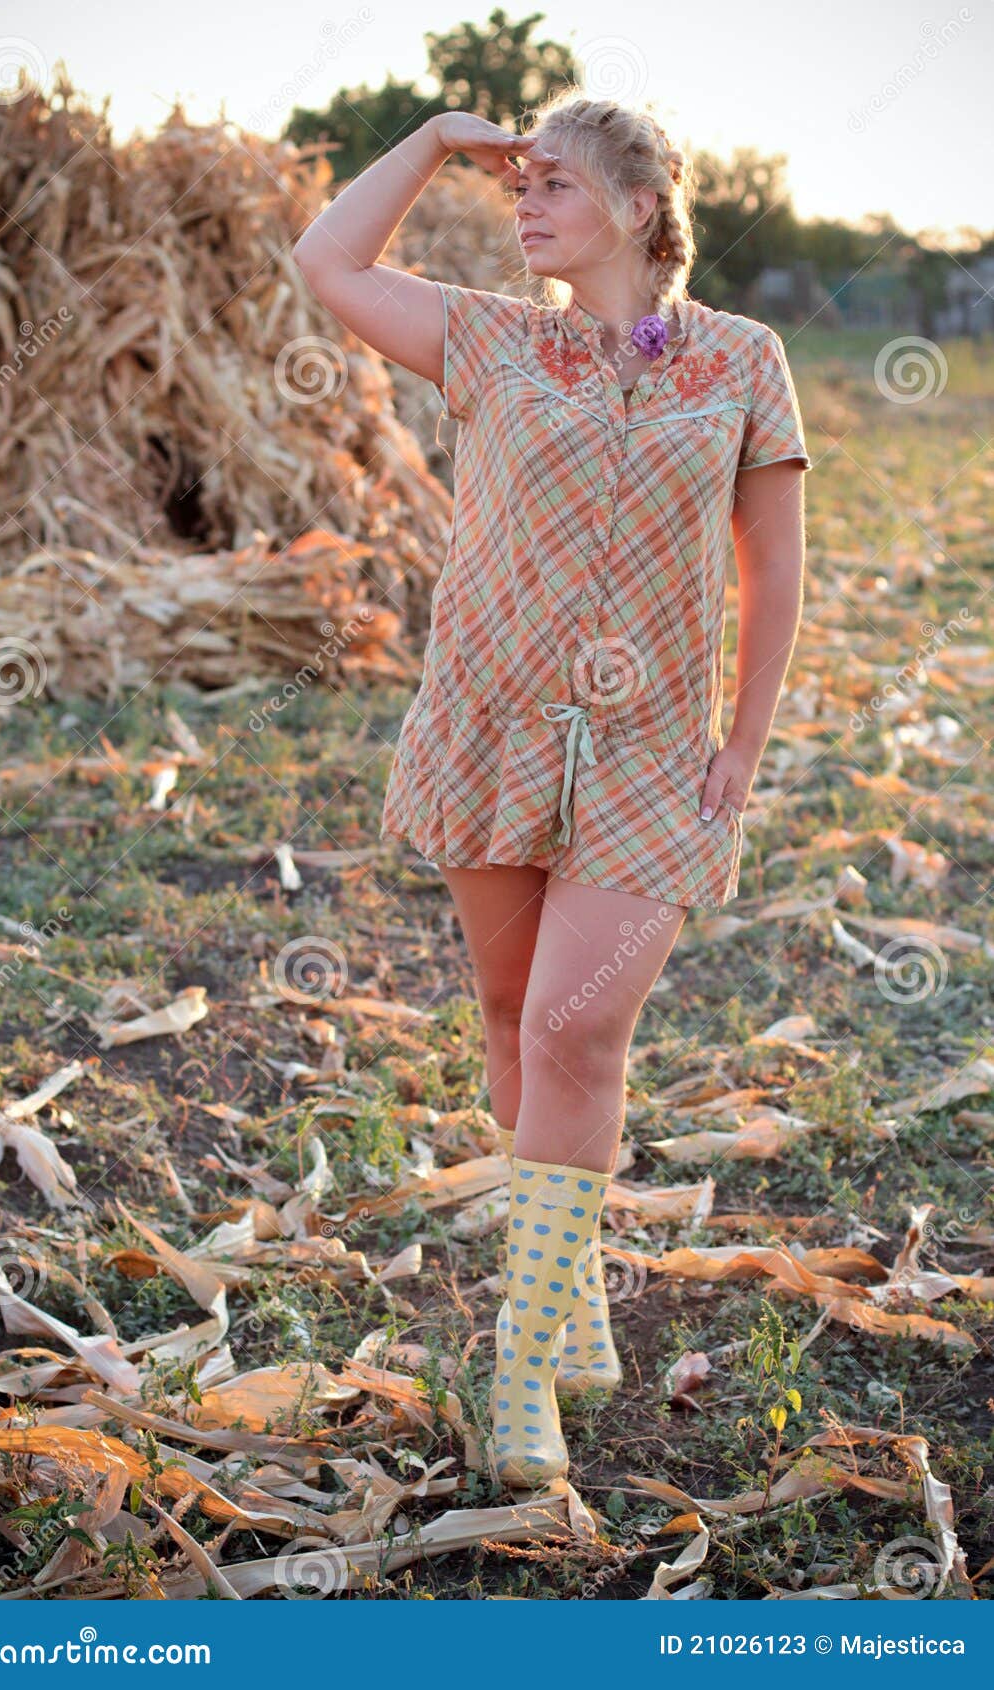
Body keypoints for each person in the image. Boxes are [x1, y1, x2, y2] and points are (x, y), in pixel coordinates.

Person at [293, 88, 811, 1491]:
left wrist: (742, 752)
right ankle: (572, 1288)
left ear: (641, 209)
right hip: (488, 723)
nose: (525, 206)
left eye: (555, 186)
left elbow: (775, 572)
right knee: (515, 1018)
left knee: (581, 1037)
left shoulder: (742, 363)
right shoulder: (494, 338)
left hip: (649, 753)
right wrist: (439, 144)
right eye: (516, 185)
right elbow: (326, 264)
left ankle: (524, 1361)